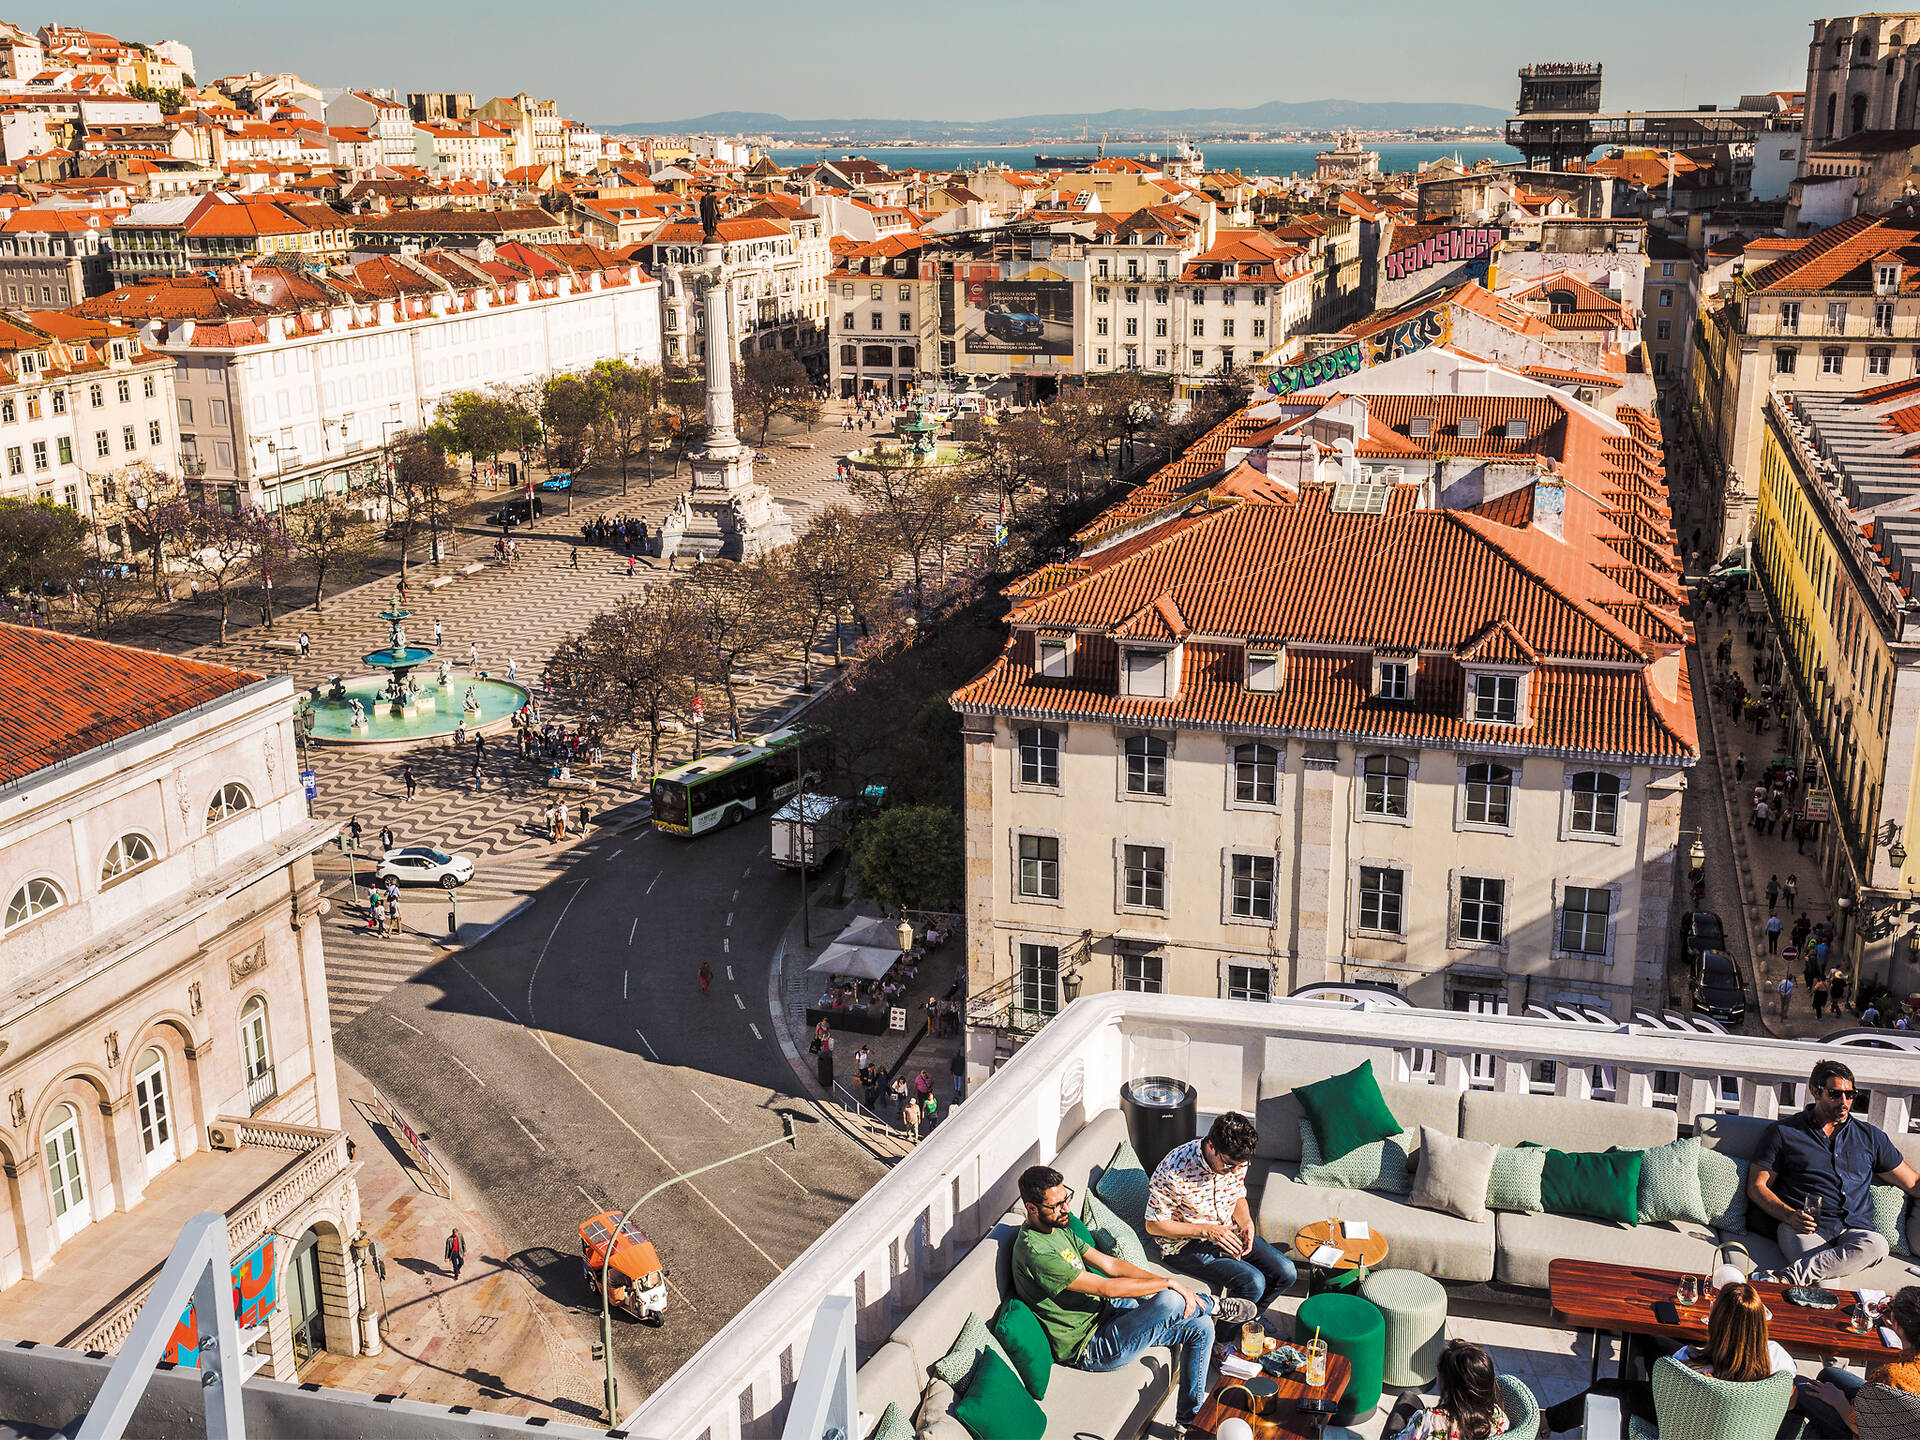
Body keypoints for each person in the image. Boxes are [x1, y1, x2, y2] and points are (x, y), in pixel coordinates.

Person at [1012, 1165, 1253, 1434]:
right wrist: (1169, 1283)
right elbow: (1105, 1287)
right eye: (1056, 1205)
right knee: (1171, 1301)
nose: (1065, 1208)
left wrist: (1156, 1282)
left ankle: (1188, 1424)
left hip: (1110, 1316)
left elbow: (1112, 1265)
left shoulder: (1058, 1227)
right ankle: (1212, 1303)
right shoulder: (1036, 1252)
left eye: (1066, 1199)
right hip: (1091, 1346)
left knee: (1201, 1326)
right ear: (1031, 1208)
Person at [1749, 1059, 1920, 1284]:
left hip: (1855, 1231)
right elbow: (1757, 1186)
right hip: (1804, 1228)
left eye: (1850, 1095)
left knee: (1878, 1245)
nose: (1845, 1102)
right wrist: (1789, 1215)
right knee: (1825, 1284)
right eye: (1835, 1094)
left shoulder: (1871, 1137)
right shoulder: (1784, 1133)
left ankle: (1784, 1277)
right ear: (1815, 1092)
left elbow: (1913, 1183)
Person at [1542, 1282, 1792, 1432]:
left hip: (1686, 1420)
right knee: (1649, 1339)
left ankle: (1546, 1423)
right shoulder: (1777, 1358)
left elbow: (1667, 1385)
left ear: (1718, 1323)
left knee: (1608, 1388)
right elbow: (1790, 1400)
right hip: (1737, 1424)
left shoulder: (1687, 1363)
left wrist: (1686, 1370)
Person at [1144, 1112, 1297, 1336]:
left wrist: (1246, 1222)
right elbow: (1153, 1225)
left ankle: (1250, 1318)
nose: (1234, 1171)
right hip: (1184, 1246)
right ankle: (1222, 1340)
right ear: (1211, 1145)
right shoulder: (1173, 1170)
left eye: (1240, 1165)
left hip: (1226, 1232)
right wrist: (1207, 1231)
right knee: (1253, 1282)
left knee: (1286, 1271)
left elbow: (1237, 1196)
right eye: (1228, 1165)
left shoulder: (1236, 1160)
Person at [1797, 1285, 1920, 1436]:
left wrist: (1838, 1400)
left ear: (1897, 1325)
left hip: (1868, 1432)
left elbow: (1859, 1427)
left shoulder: (1891, 1375)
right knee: (1829, 1374)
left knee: (1798, 1385)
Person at [1386, 1340, 1511, 1440]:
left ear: (1448, 1384)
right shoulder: (1498, 1418)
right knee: (1409, 1399)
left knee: (1406, 1399)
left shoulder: (1429, 1422)